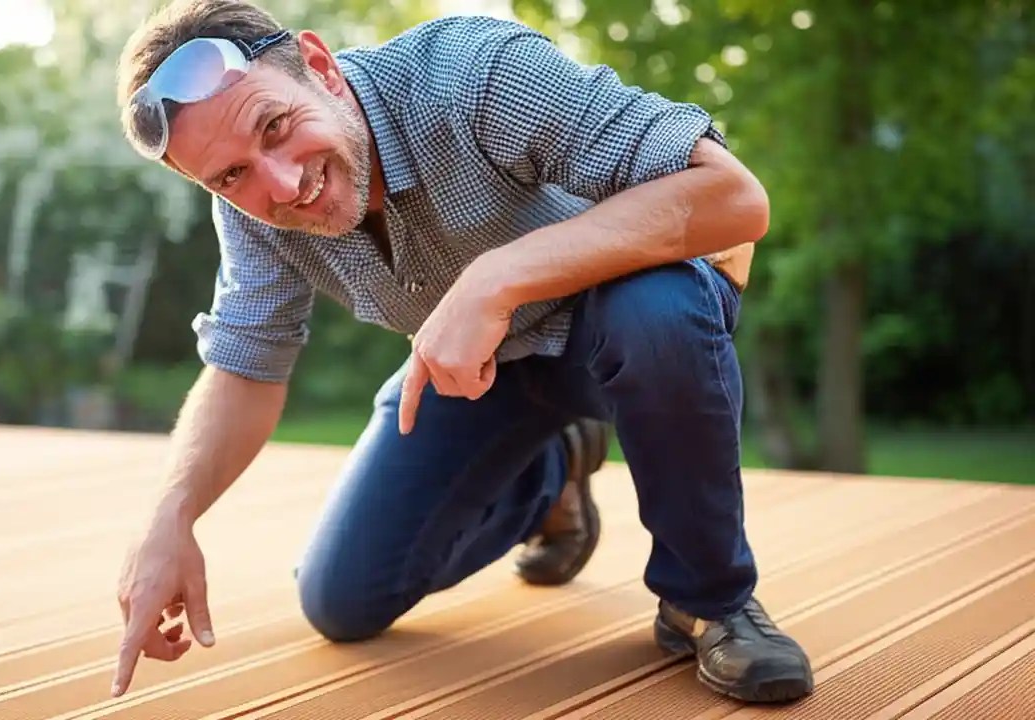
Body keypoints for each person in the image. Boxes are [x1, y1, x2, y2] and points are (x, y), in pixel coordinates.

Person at [109, 0, 815, 705]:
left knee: (659, 311)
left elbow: (733, 197)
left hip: (621, 329)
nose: (282, 185)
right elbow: (245, 365)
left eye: (277, 126)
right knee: (340, 600)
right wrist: (171, 518)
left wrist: (496, 280)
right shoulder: (250, 211)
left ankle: (709, 600)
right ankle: (554, 474)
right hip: (480, 374)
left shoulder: (474, 74)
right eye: (229, 176)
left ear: (320, 68)